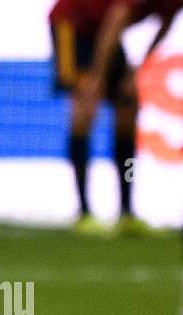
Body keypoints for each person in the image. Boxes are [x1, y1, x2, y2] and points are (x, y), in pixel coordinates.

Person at [49, 0, 180, 234]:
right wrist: (97, 78)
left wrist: (137, 71)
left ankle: (127, 212)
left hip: (104, 32)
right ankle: (83, 212)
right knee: (84, 104)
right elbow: (116, 20)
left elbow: (165, 24)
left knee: (128, 106)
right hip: (72, 24)